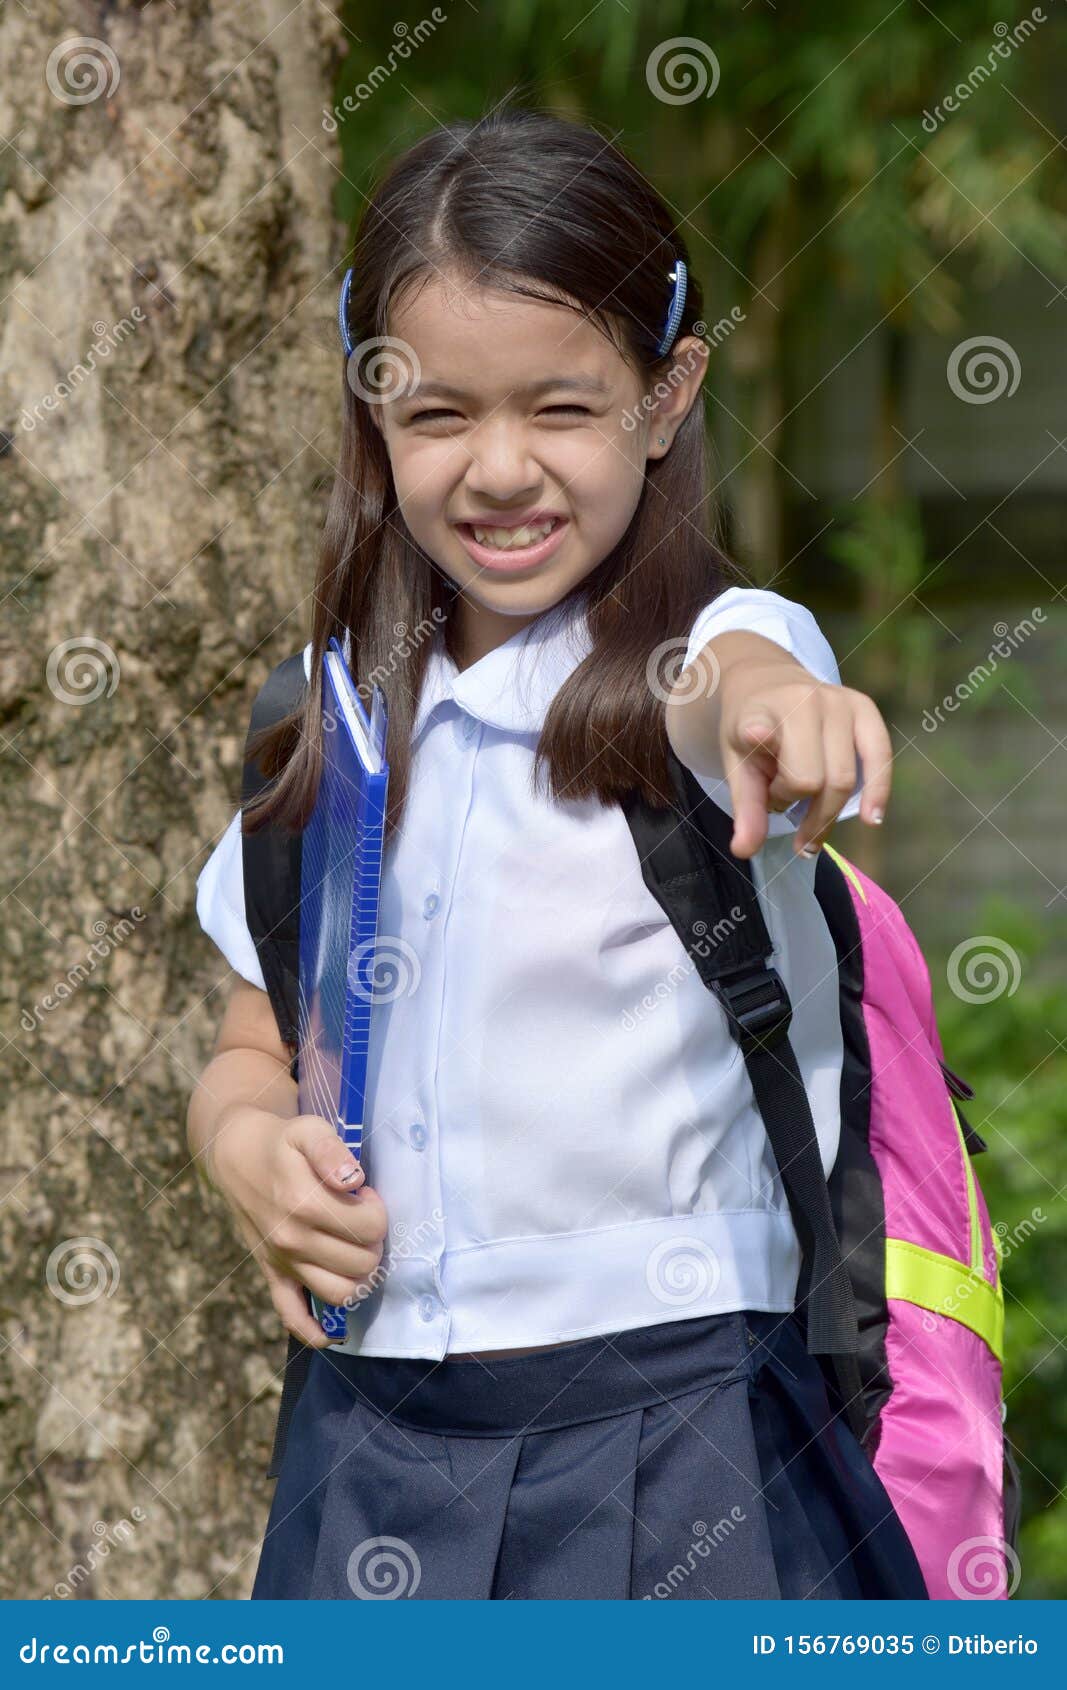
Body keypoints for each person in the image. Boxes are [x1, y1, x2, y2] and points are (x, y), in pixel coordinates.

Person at [187, 102, 928, 1602]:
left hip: (683, 1434)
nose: (501, 468)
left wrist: (793, 719)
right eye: (439, 414)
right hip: (370, 1437)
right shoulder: (325, 724)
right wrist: (243, 1148)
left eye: (564, 407)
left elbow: (749, 691)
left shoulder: (704, 657)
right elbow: (251, 1042)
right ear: (371, 409)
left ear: (667, 398)